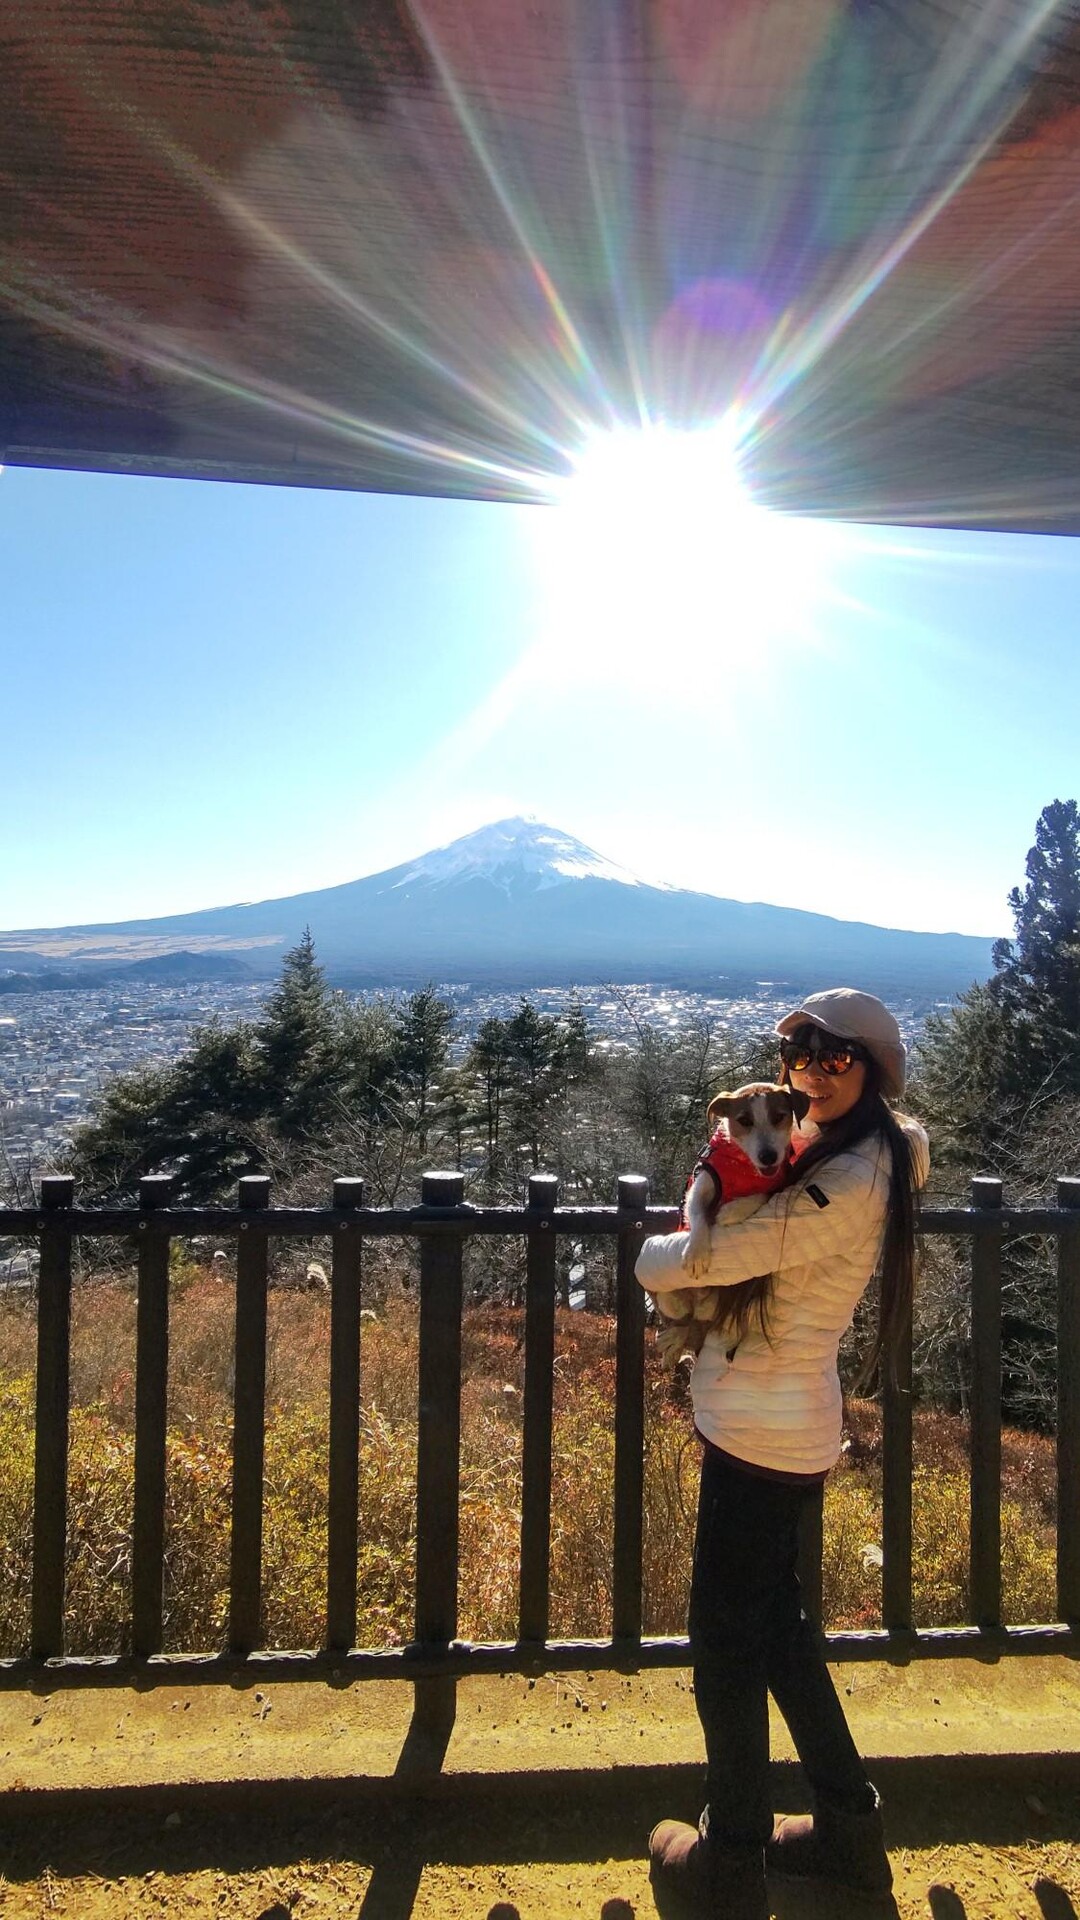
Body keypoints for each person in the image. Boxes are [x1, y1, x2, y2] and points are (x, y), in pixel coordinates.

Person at [635, 988, 928, 1920]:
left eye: (836, 1057)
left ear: (874, 1069)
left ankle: (730, 1860)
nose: (814, 1070)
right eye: (802, 1056)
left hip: (764, 1424)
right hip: (774, 1415)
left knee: (725, 1644)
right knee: (783, 1636)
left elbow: (715, 1256)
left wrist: (651, 1257)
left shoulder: (857, 1174)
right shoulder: (835, 1153)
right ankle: (847, 1837)